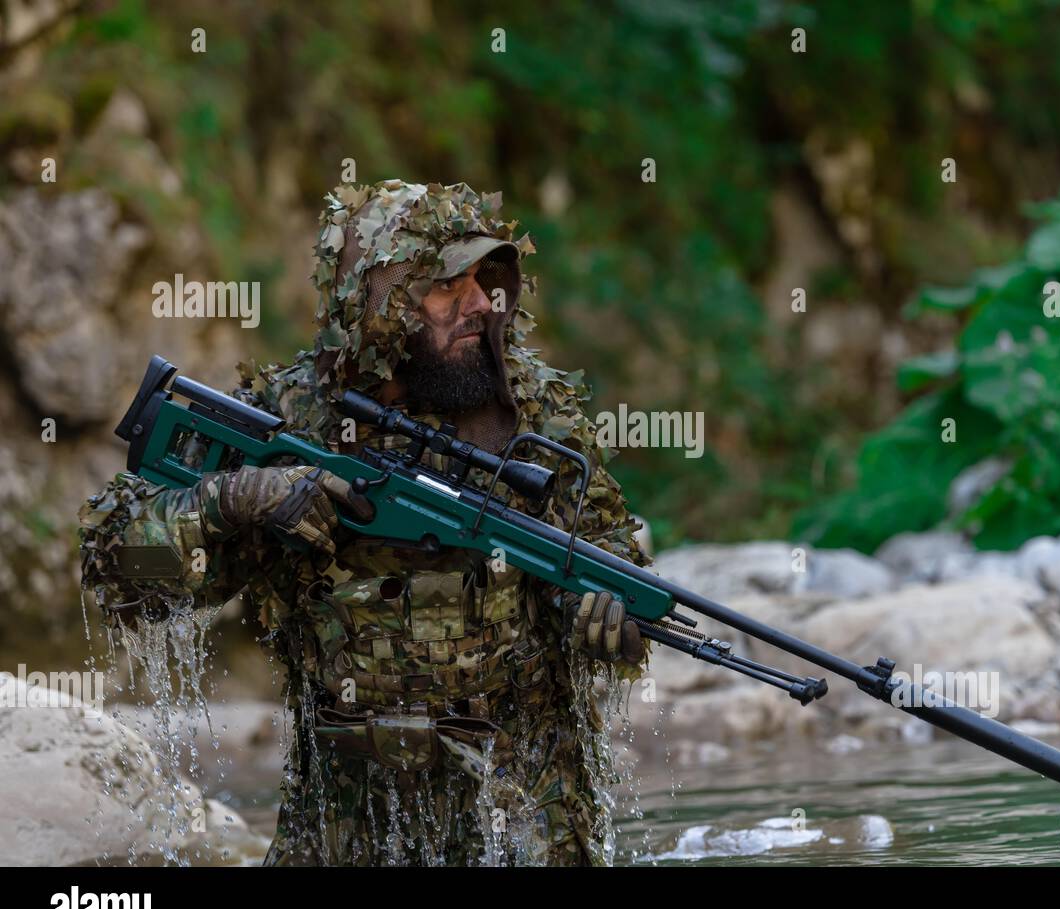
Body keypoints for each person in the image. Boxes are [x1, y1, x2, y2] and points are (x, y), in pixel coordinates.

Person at [79, 179, 650, 865]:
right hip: (344, 829)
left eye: (484, 282)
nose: (477, 305)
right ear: (380, 305)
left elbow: (615, 576)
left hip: (522, 826)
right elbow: (116, 577)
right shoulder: (290, 418)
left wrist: (611, 626)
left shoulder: (541, 423)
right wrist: (230, 501)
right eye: (447, 287)